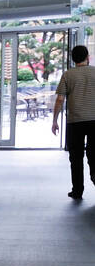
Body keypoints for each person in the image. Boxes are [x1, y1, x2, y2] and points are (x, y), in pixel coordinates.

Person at [52, 44, 95, 200]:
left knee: (76, 157)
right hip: (94, 120)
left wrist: (55, 120)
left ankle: (77, 191)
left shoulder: (67, 75)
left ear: (73, 59)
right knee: (94, 155)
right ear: (87, 57)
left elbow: (60, 99)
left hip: (75, 122)